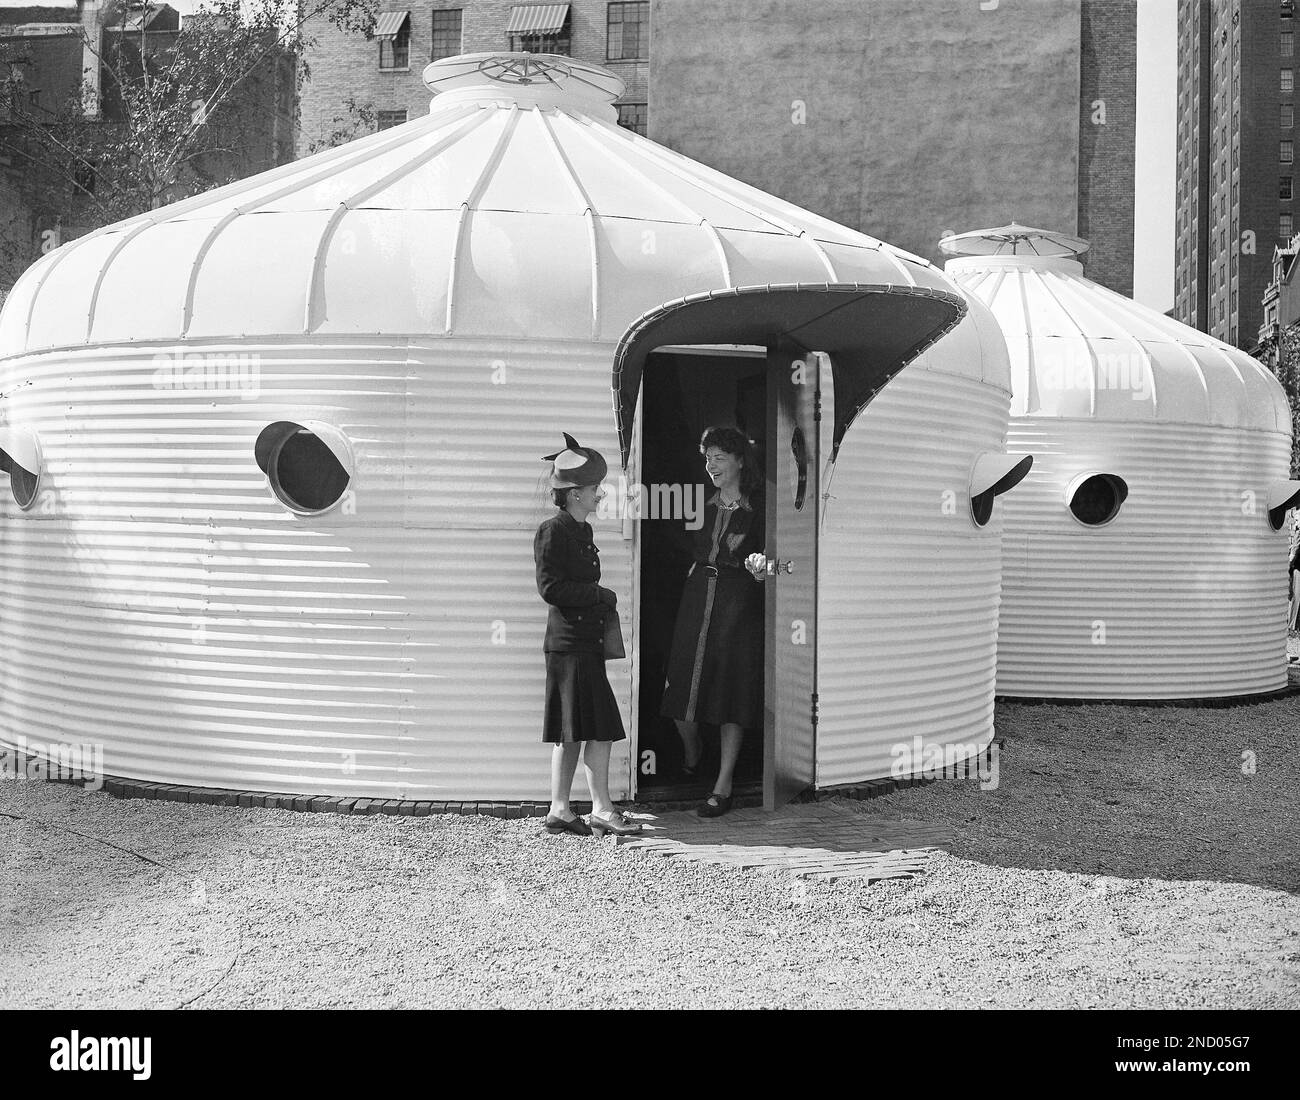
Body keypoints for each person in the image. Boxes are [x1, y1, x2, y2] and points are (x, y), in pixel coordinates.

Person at [535, 433, 643, 836]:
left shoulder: (581, 532)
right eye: (595, 489)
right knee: (598, 727)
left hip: (581, 644)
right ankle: (601, 808)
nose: (600, 495)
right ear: (576, 493)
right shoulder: (554, 531)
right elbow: (551, 588)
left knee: (574, 730)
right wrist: (598, 594)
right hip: (570, 646)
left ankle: (560, 810)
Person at [660, 426, 767, 817]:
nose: (711, 465)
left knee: (730, 692)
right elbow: (673, 542)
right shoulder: (700, 503)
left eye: (720, 458)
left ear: (740, 460)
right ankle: (693, 751)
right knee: (680, 687)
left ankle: (723, 784)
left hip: (738, 604)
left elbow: (777, 560)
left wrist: (761, 567)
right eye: (707, 458)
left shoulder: (762, 506)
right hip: (696, 597)